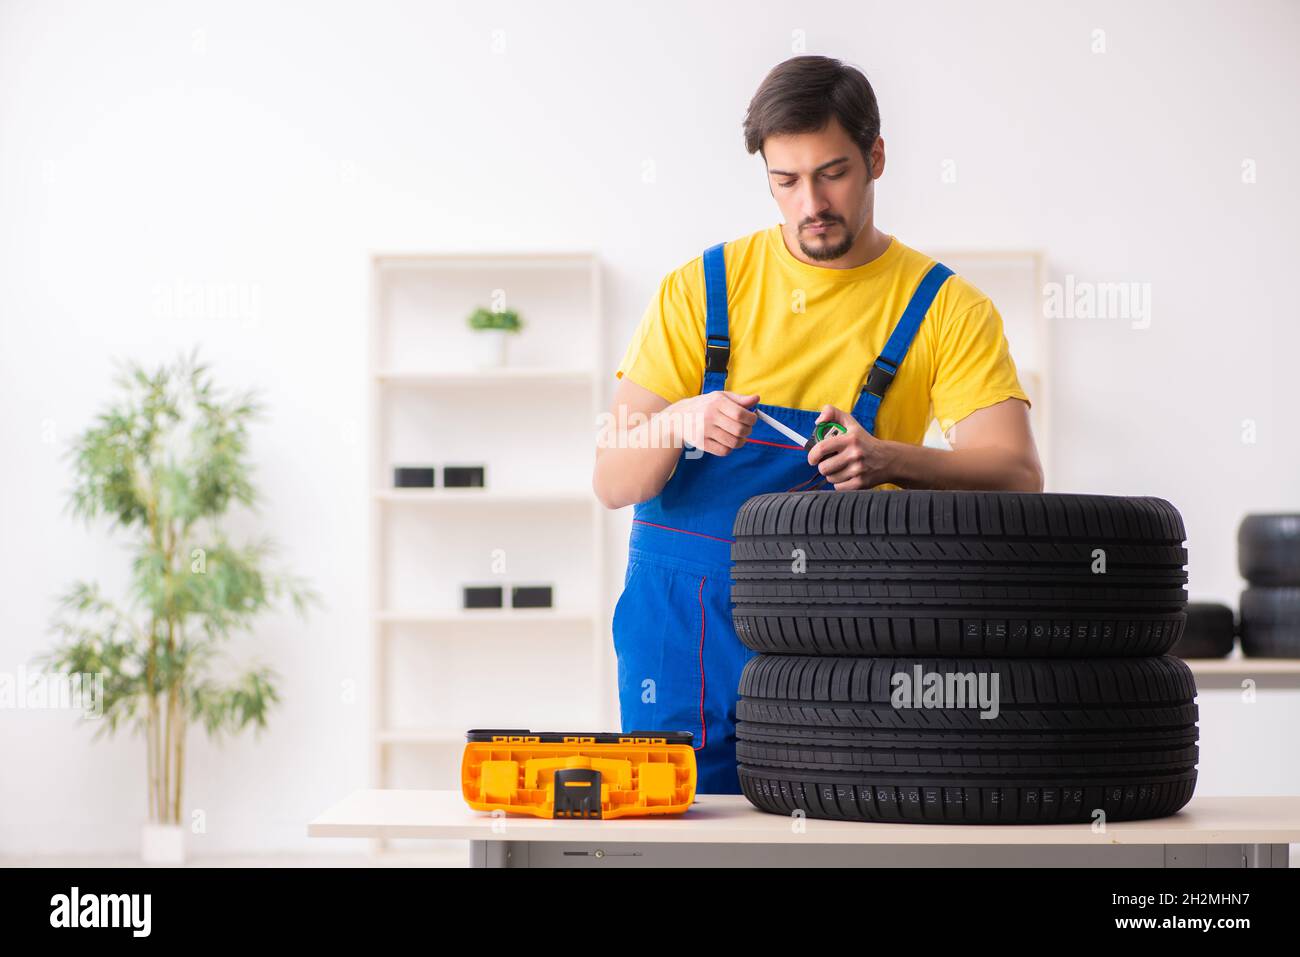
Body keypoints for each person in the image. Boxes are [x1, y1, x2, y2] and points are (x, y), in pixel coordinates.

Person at [591, 55, 1044, 795]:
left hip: (843, 629)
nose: (810, 204)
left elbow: (1017, 474)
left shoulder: (945, 308)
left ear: (876, 158)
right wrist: (679, 419)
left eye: (832, 173)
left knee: (841, 824)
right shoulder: (700, 290)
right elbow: (613, 479)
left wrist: (890, 458)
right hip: (680, 625)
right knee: (685, 836)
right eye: (785, 181)